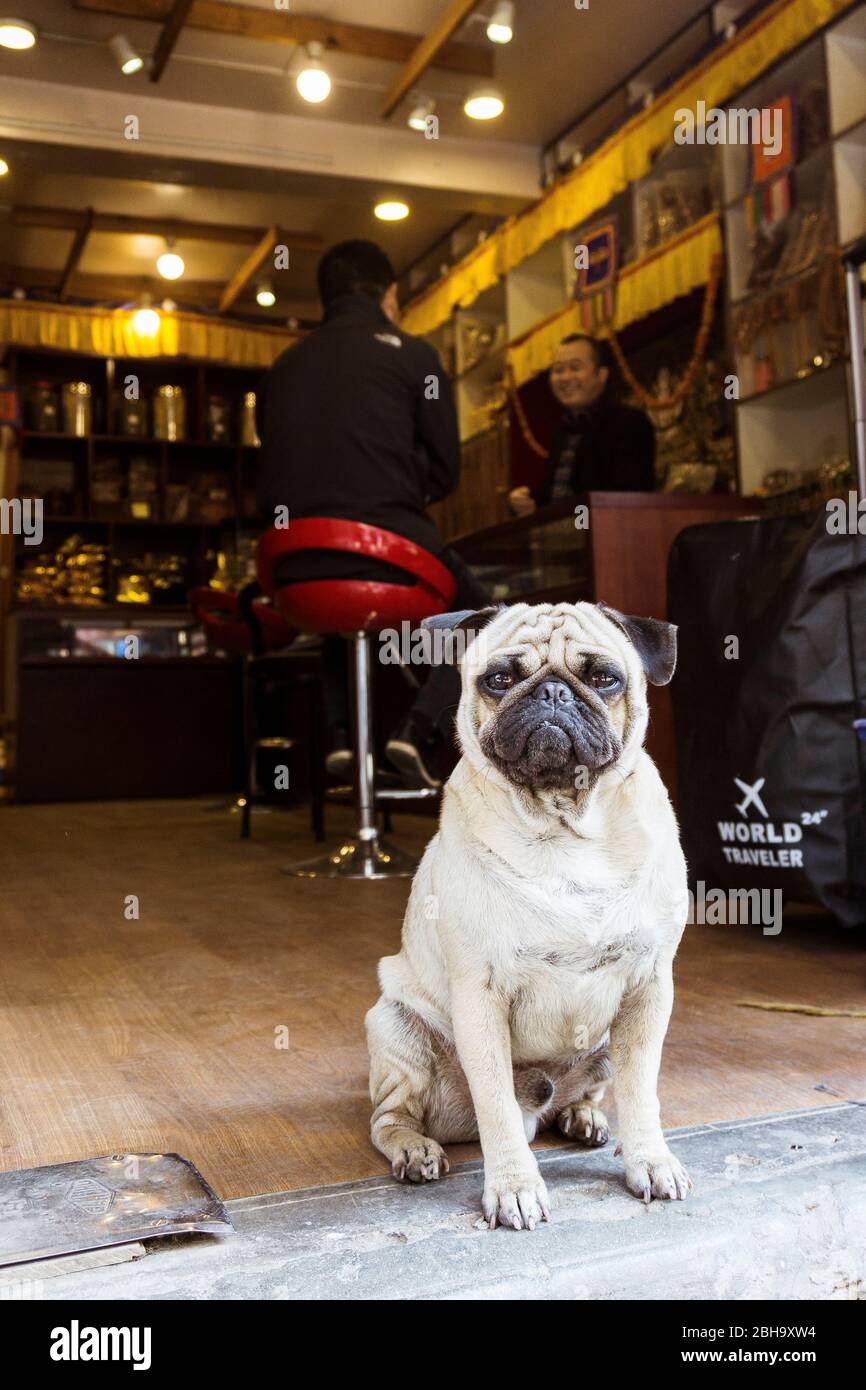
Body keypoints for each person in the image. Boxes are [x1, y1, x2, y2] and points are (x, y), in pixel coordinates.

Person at [256, 239, 489, 789]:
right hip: (388, 555)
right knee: (488, 622)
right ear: (389, 296)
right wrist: (391, 497)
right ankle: (418, 728)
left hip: (292, 570)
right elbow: (447, 470)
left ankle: (342, 741)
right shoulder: (412, 355)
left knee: (341, 625)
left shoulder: (281, 368)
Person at [509, 333, 656, 517]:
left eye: (575, 367)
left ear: (601, 375)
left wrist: (578, 527)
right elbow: (556, 499)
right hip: (567, 539)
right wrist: (527, 501)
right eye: (558, 369)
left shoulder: (628, 423)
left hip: (611, 538)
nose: (565, 377)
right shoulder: (562, 433)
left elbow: (624, 500)